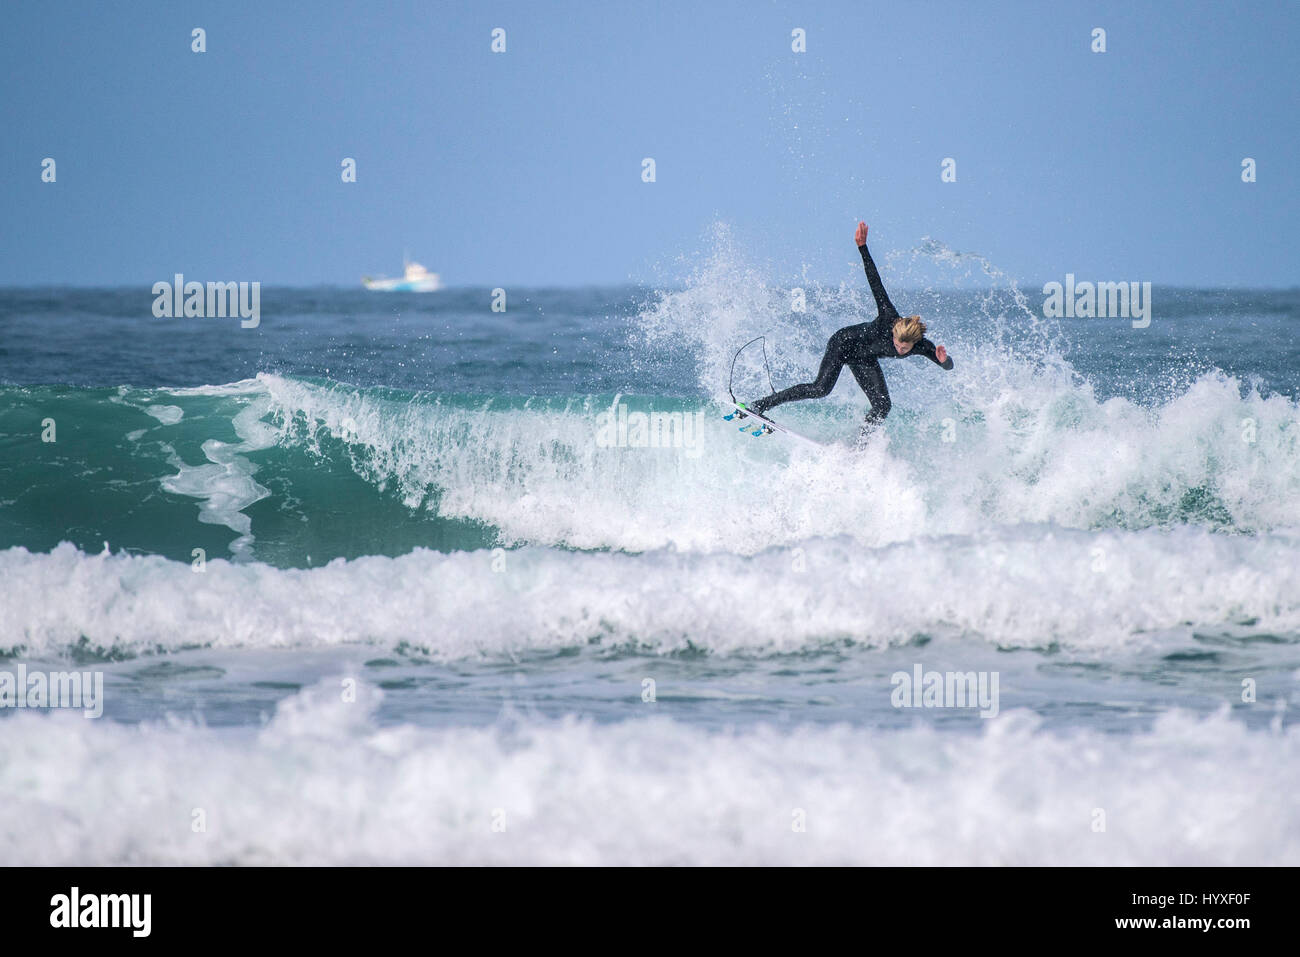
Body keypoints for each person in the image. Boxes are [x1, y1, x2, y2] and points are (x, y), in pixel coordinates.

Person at [745, 221, 953, 435]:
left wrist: (943, 360)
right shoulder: (888, 317)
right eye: (897, 345)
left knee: (883, 406)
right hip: (843, 343)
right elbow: (876, 282)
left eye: (904, 349)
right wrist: (862, 247)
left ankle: (860, 444)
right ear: (894, 332)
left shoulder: (921, 345)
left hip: (863, 358)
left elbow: (948, 367)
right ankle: (760, 404)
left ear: (913, 344)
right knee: (820, 389)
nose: (899, 350)